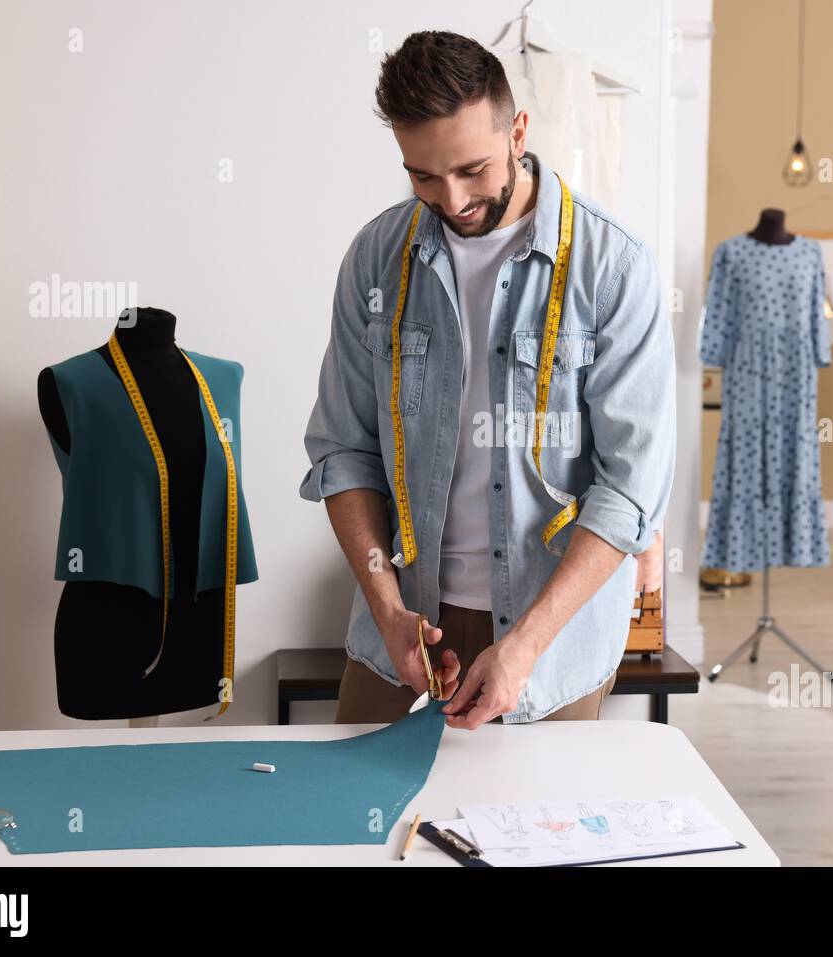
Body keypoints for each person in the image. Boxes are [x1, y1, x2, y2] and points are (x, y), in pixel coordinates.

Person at [300, 30, 674, 730]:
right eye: (423, 176)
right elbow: (342, 450)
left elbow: (631, 489)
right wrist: (385, 607)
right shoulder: (376, 258)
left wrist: (525, 644)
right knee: (356, 833)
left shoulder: (613, 267)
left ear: (518, 133)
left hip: (550, 641)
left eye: (472, 169)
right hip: (401, 631)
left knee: (525, 835)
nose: (453, 199)